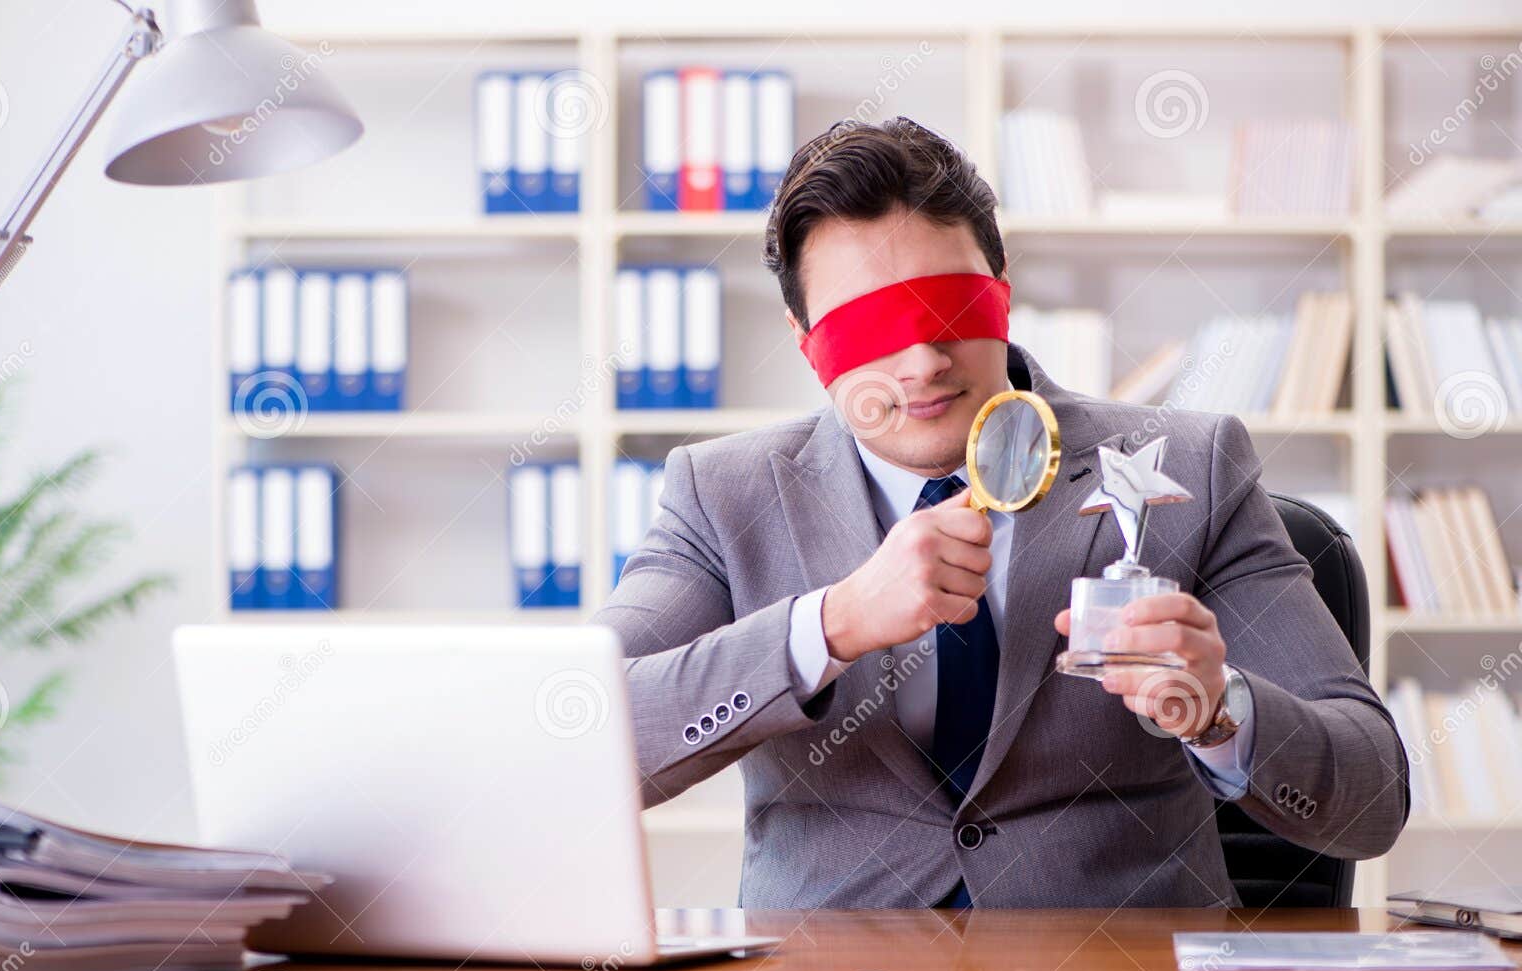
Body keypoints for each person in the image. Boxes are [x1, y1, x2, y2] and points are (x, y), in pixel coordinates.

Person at [592, 117, 1407, 909]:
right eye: (865, 325)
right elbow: (586, 738)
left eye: (948, 306)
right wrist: (831, 625)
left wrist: (1221, 707)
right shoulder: (723, 493)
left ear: (1003, 289)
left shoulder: (1192, 467)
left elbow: (1371, 799)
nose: (922, 362)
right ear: (804, 336)